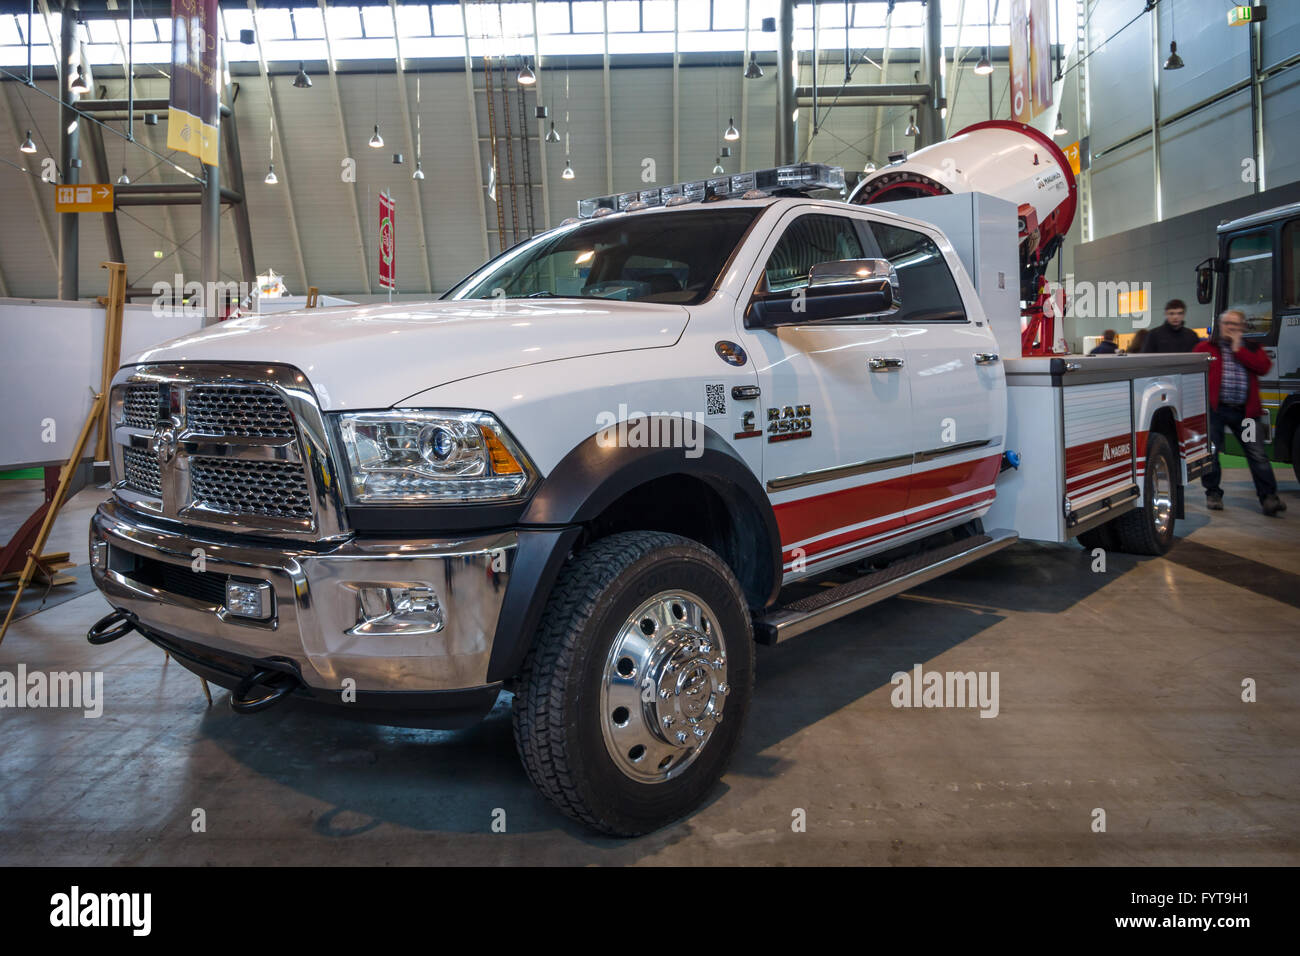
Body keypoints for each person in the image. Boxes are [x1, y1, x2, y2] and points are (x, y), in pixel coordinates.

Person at [1195, 309, 1284, 517]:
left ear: (1243, 327)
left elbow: (1263, 367)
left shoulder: (1252, 348)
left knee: (1257, 454)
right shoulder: (1206, 348)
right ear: (1220, 326)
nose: (1231, 328)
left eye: (1236, 325)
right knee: (1212, 452)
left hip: (1246, 413)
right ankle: (1213, 493)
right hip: (1216, 411)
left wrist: (1238, 350)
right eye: (1228, 324)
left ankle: (1268, 497)